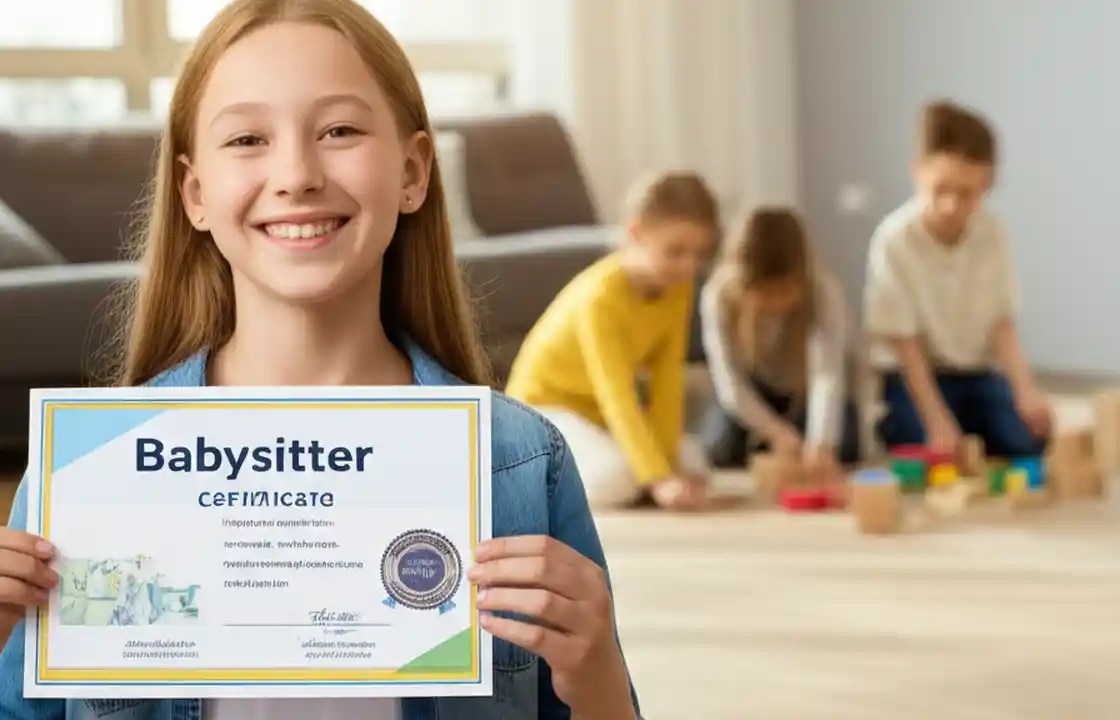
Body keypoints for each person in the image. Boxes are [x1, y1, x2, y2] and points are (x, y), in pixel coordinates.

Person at [0, 1, 642, 718]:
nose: (297, 174)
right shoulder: (88, 474)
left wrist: (600, 684)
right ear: (196, 194)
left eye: (339, 130)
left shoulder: (520, 460)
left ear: (413, 171)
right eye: (247, 138)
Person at [505, 173, 720, 512]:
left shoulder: (676, 289)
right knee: (617, 478)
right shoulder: (600, 298)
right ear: (636, 233)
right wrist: (658, 479)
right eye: (675, 251)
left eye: (698, 254)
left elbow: (667, 381)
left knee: (693, 463)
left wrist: (667, 467)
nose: (688, 267)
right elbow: (616, 394)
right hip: (546, 409)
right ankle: (522, 477)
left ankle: (633, 475)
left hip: (597, 415)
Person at [864, 99, 1053, 459]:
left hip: (975, 375)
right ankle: (929, 425)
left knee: (1029, 441)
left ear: (986, 186)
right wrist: (935, 419)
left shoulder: (993, 233)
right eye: (941, 189)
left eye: (967, 194)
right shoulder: (893, 240)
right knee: (921, 438)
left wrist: (1026, 391)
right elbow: (906, 344)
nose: (951, 206)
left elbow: (1002, 323)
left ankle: (971, 427)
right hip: (917, 378)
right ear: (917, 172)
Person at [698, 207, 859, 478]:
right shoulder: (718, 296)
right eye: (764, 293)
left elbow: (827, 375)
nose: (775, 303)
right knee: (719, 450)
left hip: (803, 393)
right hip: (755, 391)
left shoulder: (823, 290)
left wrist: (820, 441)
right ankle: (767, 445)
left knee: (847, 446)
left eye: (784, 291)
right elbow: (730, 385)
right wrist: (776, 432)